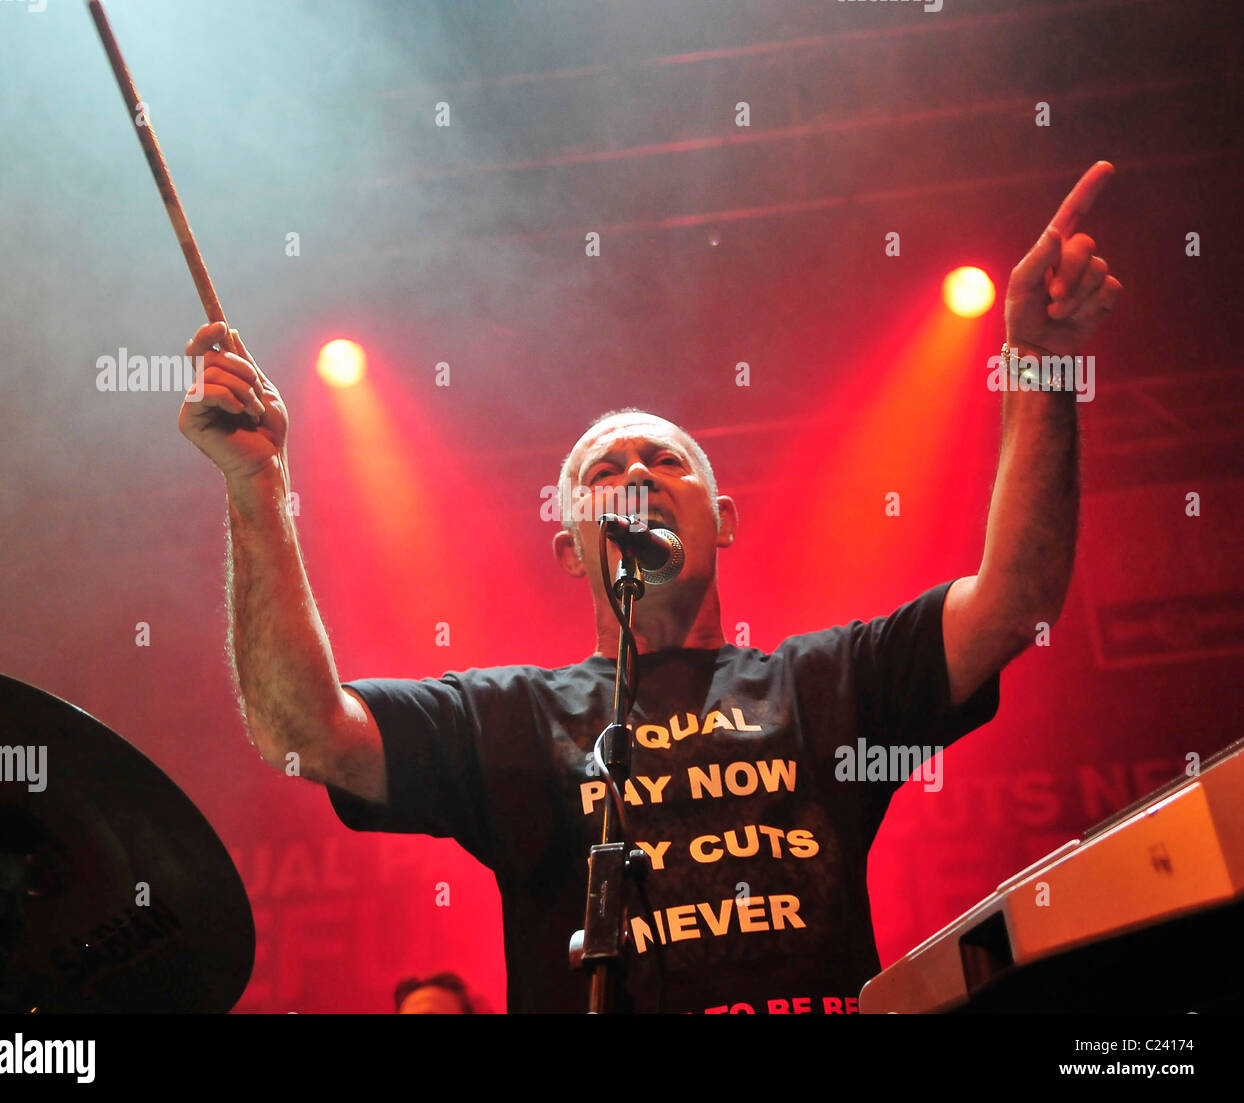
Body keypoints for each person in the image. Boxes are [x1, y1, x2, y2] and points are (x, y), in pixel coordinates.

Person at [179, 164, 1121, 1013]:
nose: (636, 471)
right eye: (604, 469)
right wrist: (257, 488)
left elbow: (1017, 600)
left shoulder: (829, 683)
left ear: (727, 519)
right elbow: (302, 731)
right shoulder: (507, 717)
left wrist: (1039, 361)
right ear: (568, 549)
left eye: (667, 460)